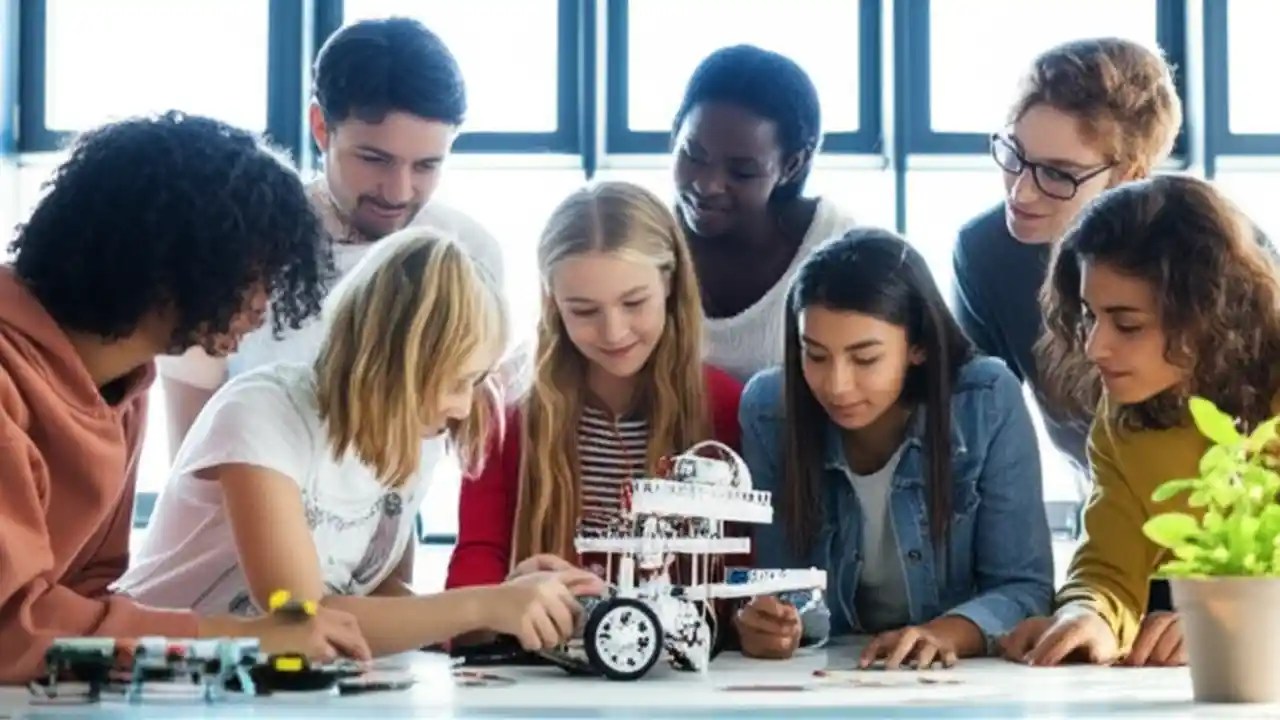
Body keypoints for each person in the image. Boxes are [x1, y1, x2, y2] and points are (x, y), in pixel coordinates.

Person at [0, 111, 370, 683]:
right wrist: (235, 637)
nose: (264, 303)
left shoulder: (123, 385)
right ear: (171, 259)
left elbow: (88, 588)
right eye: (254, 273)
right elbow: (11, 626)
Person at [116, 228, 603, 656]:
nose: (461, 408)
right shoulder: (262, 414)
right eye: (455, 383)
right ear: (395, 364)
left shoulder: (414, 437)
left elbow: (379, 597)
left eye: (473, 383)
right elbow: (300, 617)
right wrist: (480, 604)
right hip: (150, 674)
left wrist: (500, 610)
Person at [158, 17, 506, 453]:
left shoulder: (470, 254)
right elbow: (191, 456)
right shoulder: (239, 249)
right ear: (321, 127)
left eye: (426, 166)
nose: (398, 191)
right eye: (374, 159)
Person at [737, 228, 1053, 668]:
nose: (836, 386)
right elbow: (777, 583)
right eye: (815, 355)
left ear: (918, 346)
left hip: (956, 680)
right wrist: (766, 623)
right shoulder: (770, 409)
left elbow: (1025, 588)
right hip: (832, 677)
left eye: (865, 358)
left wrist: (946, 633)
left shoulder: (986, 399)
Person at [1000, 175, 1280, 668]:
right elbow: (1109, 564)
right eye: (1089, 316)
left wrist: (1244, 621)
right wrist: (1091, 617)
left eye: (1127, 324)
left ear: (1206, 313)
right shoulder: (1123, 421)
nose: (1094, 347)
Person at [445, 181, 743, 592]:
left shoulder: (726, 405)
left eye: (634, 303)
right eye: (583, 311)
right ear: (552, 302)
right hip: (541, 649)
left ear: (670, 283)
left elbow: (740, 569)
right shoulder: (505, 403)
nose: (613, 332)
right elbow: (475, 560)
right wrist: (497, 606)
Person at [950, 37, 1181, 474]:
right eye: (1014, 154)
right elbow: (973, 429)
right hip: (1103, 497)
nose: (1021, 191)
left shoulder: (1212, 252)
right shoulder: (986, 251)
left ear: (1128, 177)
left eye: (1058, 173)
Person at [672, 44, 858, 383]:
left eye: (741, 172)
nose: (708, 185)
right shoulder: (645, 237)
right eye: (693, 155)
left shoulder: (841, 249)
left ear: (792, 165)